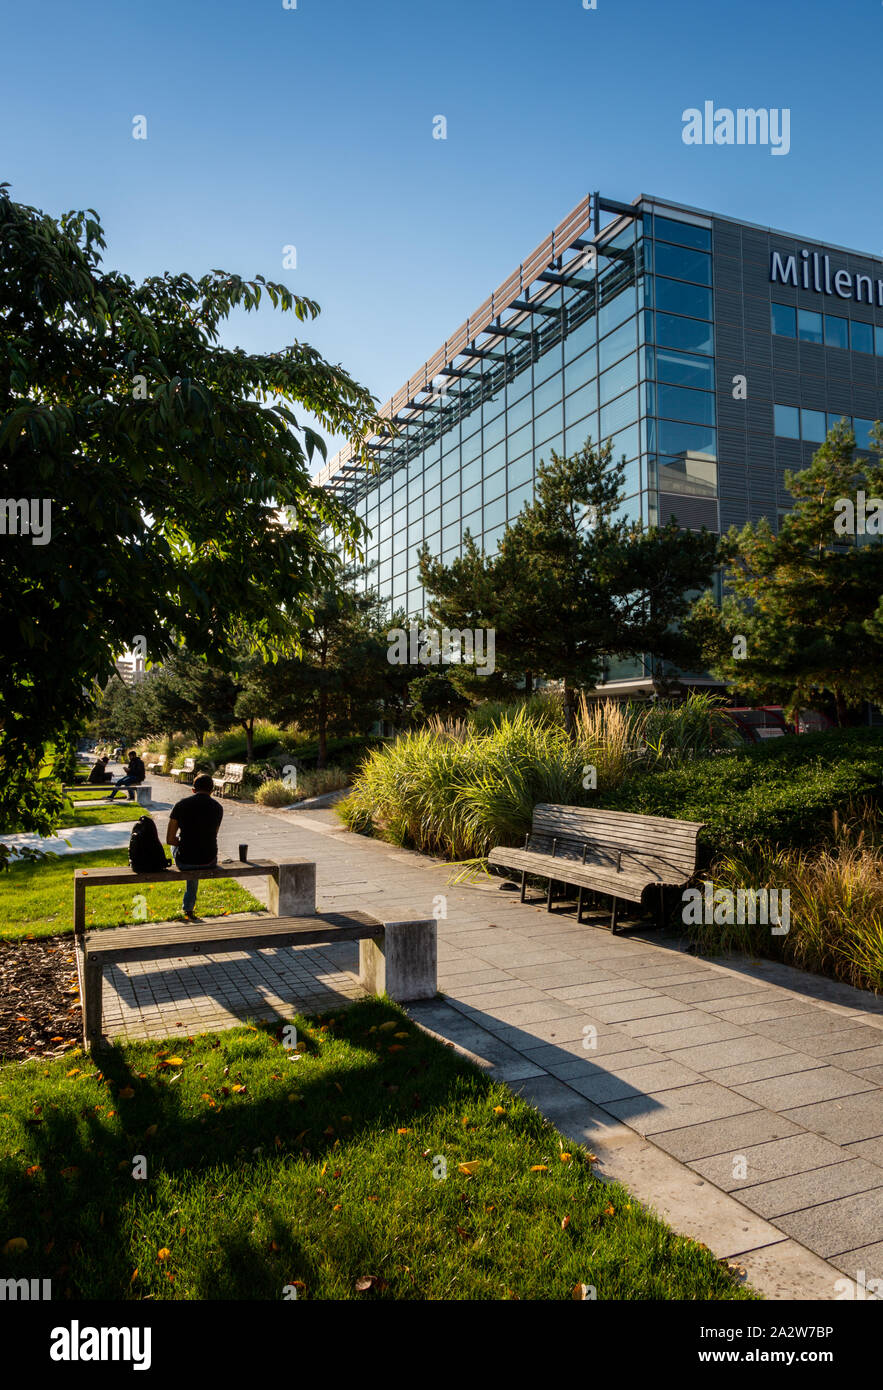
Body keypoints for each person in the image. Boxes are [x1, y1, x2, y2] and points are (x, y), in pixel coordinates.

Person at [165, 774, 223, 919]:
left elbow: (170, 840)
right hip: (209, 860)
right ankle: (189, 907)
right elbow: (212, 835)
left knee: (184, 853)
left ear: (193, 790)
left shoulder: (180, 805)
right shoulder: (218, 807)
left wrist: (186, 841)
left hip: (185, 860)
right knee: (196, 852)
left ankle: (188, 908)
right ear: (212, 790)